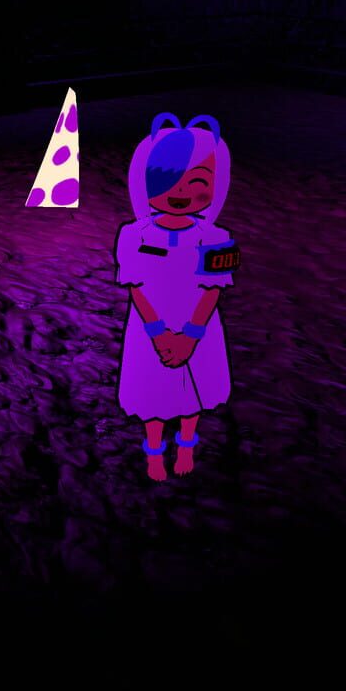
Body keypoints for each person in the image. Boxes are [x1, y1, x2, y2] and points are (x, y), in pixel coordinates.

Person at [112, 113, 239, 481]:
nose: (180, 192)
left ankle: (186, 444)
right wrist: (159, 333)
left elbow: (213, 289)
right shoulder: (132, 234)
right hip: (149, 325)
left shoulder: (217, 237)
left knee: (192, 386)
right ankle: (154, 451)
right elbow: (135, 286)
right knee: (152, 390)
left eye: (197, 181)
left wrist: (190, 336)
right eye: (166, 180)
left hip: (198, 323)